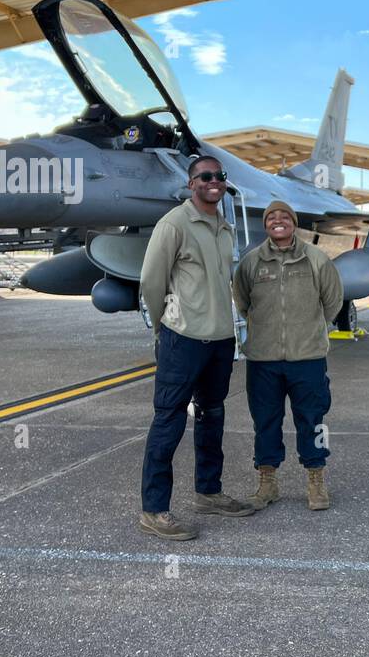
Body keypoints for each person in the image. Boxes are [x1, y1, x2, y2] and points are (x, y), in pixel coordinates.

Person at [138, 155, 256, 540]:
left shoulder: (224, 227)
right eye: (205, 176)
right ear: (192, 184)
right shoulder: (174, 223)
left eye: (219, 176)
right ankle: (154, 510)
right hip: (183, 340)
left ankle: (209, 491)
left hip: (220, 341)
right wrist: (162, 327)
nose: (214, 182)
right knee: (169, 419)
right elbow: (152, 283)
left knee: (212, 415)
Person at [233, 201, 343, 511]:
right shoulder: (251, 263)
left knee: (313, 420)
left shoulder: (316, 260)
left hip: (308, 358)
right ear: (266, 225)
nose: (277, 221)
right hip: (263, 360)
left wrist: (309, 331)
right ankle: (268, 482)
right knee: (265, 422)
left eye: (284, 217)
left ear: (293, 224)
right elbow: (242, 302)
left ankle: (316, 479)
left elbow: (332, 302)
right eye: (271, 217)